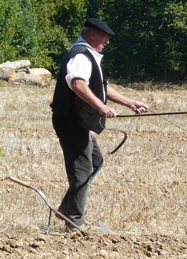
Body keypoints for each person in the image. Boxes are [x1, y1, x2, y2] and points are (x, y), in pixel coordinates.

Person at [50, 18, 149, 231]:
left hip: (77, 120)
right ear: (93, 34)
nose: (107, 42)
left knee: (95, 161)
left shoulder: (88, 55)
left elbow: (100, 87)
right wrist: (102, 108)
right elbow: (78, 85)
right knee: (82, 168)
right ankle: (74, 221)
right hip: (71, 121)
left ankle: (66, 210)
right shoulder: (81, 55)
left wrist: (130, 102)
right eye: (105, 37)